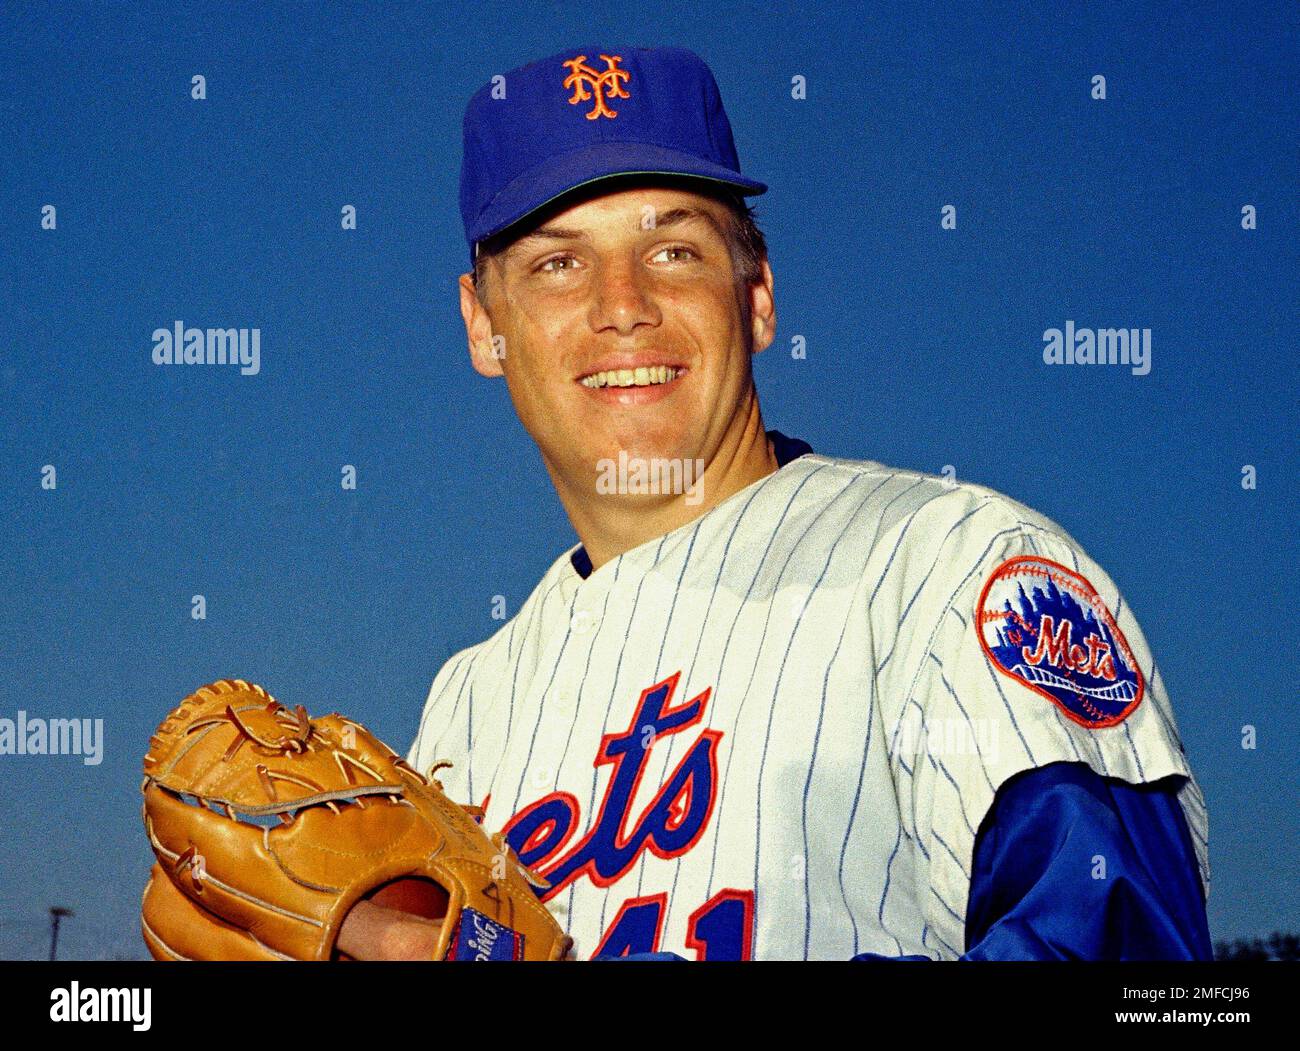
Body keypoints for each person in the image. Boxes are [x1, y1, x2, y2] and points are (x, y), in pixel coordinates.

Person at [343, 45, 1211, 961]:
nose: (622, 304)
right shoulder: (466, 707)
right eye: (558, 264)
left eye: (672, 249)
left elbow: (1133, 968)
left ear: (756, 295)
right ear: (486, 326)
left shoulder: (955, 566)